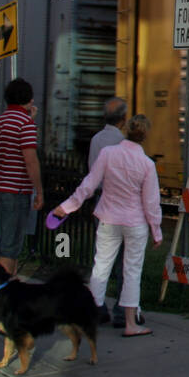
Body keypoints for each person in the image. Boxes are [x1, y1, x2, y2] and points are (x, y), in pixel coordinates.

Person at [53, 114, 161, 337]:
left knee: (101, 267)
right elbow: (151, 202)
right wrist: (156, 230)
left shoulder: (108, 154)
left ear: (125, 131)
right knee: (132, 272)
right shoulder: (147, 164)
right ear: (145, 136)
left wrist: (67, 206)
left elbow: (89, 185)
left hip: (109, 219)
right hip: (135, 223)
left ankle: (89, 316)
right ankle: (131, 324)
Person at [0, 78, 44, 276]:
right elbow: (30, 160)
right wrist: (39, 191)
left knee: (2, 238)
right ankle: (5, 291)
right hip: (17, 190)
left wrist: (30, 120)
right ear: (28, 99)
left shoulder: (0, 122)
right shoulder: (25, 124)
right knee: (11, 248)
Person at [88, 97, 129, 326]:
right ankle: (122, 310)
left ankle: (97, 305)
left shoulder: (96, 140)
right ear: (123, 119)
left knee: (102, 257)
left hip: (100, 202)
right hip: (120, 204)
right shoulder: (123, 142)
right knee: (124, 259)